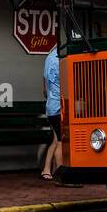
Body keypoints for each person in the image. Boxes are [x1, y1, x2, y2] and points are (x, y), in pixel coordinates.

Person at [41, 46, 62, 180]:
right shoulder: (60, 60)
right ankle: (61, 174)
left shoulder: (49, 58)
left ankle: (47, 169)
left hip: (51, 106)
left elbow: (44, 89)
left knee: (56, 139)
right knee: (61, 141)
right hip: (59, 106)